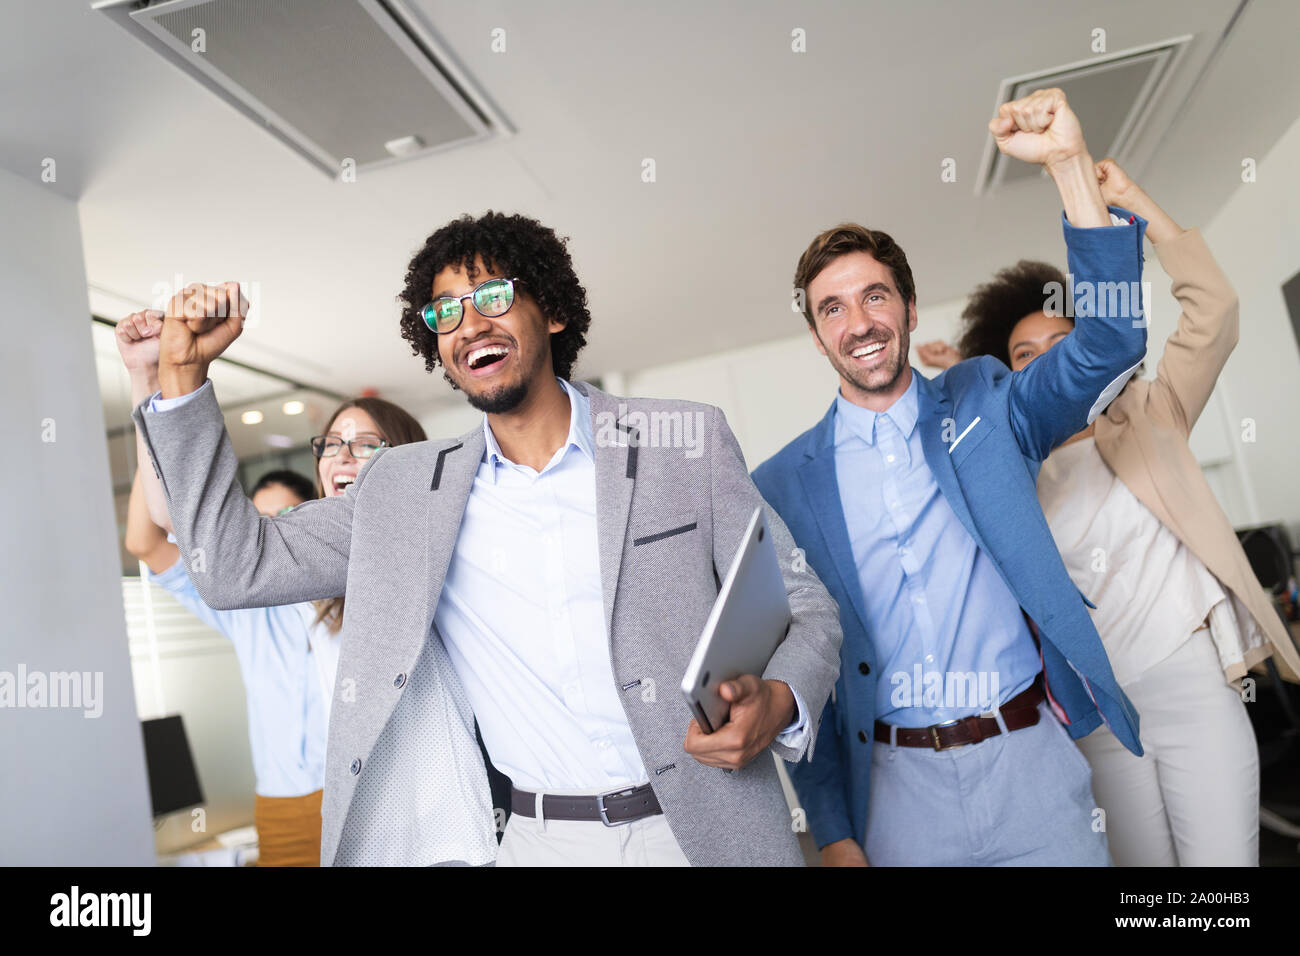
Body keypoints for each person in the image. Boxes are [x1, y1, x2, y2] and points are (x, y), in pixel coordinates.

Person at [128, 213, 842, 867]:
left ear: (554, 311)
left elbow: (804, 601)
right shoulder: (404, 493)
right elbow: (230, 568)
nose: (469, 324)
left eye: (493, 297)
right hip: (539, 842)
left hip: (709, 831)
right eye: (446, 312)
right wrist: (183, 379)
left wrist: (779, 699)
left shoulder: (680, 443)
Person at [751, 88, 1148, 866]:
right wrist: (831, 829)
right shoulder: (782, 485)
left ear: (908, 307)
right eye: (832, 309)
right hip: (898, 797)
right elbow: (806, 662)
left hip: (1030, 760)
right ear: (815, 335)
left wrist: (1070, 167)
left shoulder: (990, 403)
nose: (858, 322)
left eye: (874, 296)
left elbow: (1110, 343)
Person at [920, 158, 1300, 865]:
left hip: (1191, 683)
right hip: (1094, 708)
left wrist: (1128, 200)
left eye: (1059, 345)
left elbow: (1214, 308)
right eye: (1021, 355)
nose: (1041, 364)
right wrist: (955, 381)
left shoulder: (1153, 413)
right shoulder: (1009, 471)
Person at [117, 310, 435, 865]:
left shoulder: (411, 563)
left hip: (392, 795)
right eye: (332, 443)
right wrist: (150, 383)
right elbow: (158, 531)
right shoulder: (251, 603)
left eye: (365, 445)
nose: (341, 455)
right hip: (288, 804)